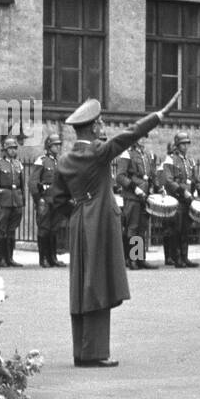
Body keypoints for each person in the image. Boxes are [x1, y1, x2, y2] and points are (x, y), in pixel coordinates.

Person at [49, 91, 180, 367]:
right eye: (101, 123)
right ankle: (94, 352)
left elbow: (56, 200)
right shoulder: (98, 151)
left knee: (84, 285)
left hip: (80, 221)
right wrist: (158, 115)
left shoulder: (66, 158)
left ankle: (82, 349)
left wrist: (78, 211)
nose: (103, 126)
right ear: (95, 126)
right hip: (107, 216)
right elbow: (130, 135)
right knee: (99, 283)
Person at [115, 135, 157, 270]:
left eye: (145, 137)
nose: (143, 140)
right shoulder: (127, 154)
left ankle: (140, 258)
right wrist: (135, 189)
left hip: (145, 196)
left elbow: (152, 175)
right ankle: (131, 259)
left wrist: (156, 187)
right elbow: (120, 176)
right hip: (132, 196)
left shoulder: (147, 155)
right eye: (141, 138)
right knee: (132, 228)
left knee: (142, 228)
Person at [157, 131, 198, 268]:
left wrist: (198, 189)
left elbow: (195, 179)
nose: (185, 146)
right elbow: (166, 180)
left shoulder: (189, 160)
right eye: (182, 144)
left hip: (187, 199)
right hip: (174, 198)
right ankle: (135, 259)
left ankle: (183, 257)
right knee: (136, 229)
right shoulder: (170, 159)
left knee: (185, 229)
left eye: (187, 144)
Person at [30, 133, 66, 267]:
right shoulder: (42, 161)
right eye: (55, 145)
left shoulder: (60, 161)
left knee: (54, 229)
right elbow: (33, 182)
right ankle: (43, 258)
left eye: (58, 145)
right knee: (44, 228)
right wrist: (38, 199)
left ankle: (53, 257)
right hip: (45, 199)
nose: (58, 147)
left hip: (56, 199)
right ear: (49, 147)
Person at [0, 136, 26, 268]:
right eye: (10, 148)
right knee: (2, 229)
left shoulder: (18, 164)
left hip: (16, 200)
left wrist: (22, 201)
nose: (13, 151)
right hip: (3, 201)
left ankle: (10, 258)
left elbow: (22, 184)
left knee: (12, 229)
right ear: (4, 150)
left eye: (14, 148)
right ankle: (2, 259)